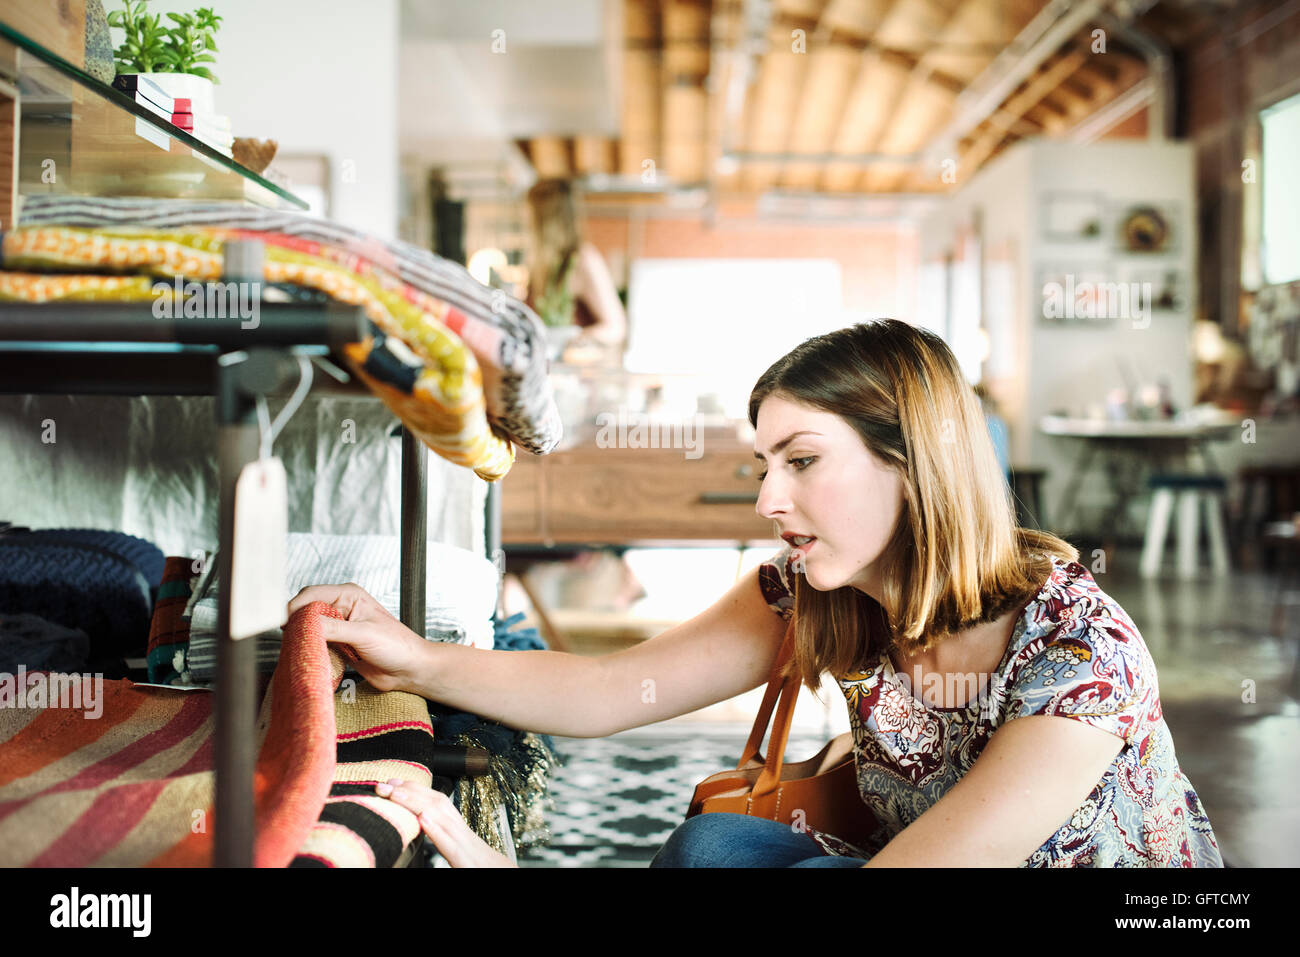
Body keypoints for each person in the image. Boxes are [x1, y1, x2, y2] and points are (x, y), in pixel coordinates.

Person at [287, 320, 1223, 868]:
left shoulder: (1078, 656)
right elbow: (617, 692)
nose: (770, 498)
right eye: (766, 465)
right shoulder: (813, 591)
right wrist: (415, 654)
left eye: (804, 461)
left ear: (913, 465)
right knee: (712, 851)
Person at [525, 177, 627, 360]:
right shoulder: (539, 267)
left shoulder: (583, 260)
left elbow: (616, 328)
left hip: (575, 378)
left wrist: (572, 339)